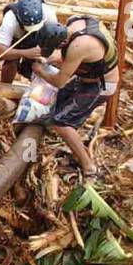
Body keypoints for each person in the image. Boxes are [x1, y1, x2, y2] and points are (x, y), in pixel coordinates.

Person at [32, 14, 120, 176]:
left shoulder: (79, 45)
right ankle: (67, 135)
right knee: (59, 99)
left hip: (101, 85)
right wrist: (49, 60)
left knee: (61, 122)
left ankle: (89, 166)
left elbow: (59, 81)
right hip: (87, 77)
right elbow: (64, 57)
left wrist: (40, 71)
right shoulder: (75, 23)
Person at [0, 0, 63, 84]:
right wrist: (24, 53)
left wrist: (46, 54)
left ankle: (37, 84)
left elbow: (54, 35)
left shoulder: (48, 13)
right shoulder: (10, 20)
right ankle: (5, 86)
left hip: (39, 35)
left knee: (41, 60)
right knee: (11, 62)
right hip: (17, 37)